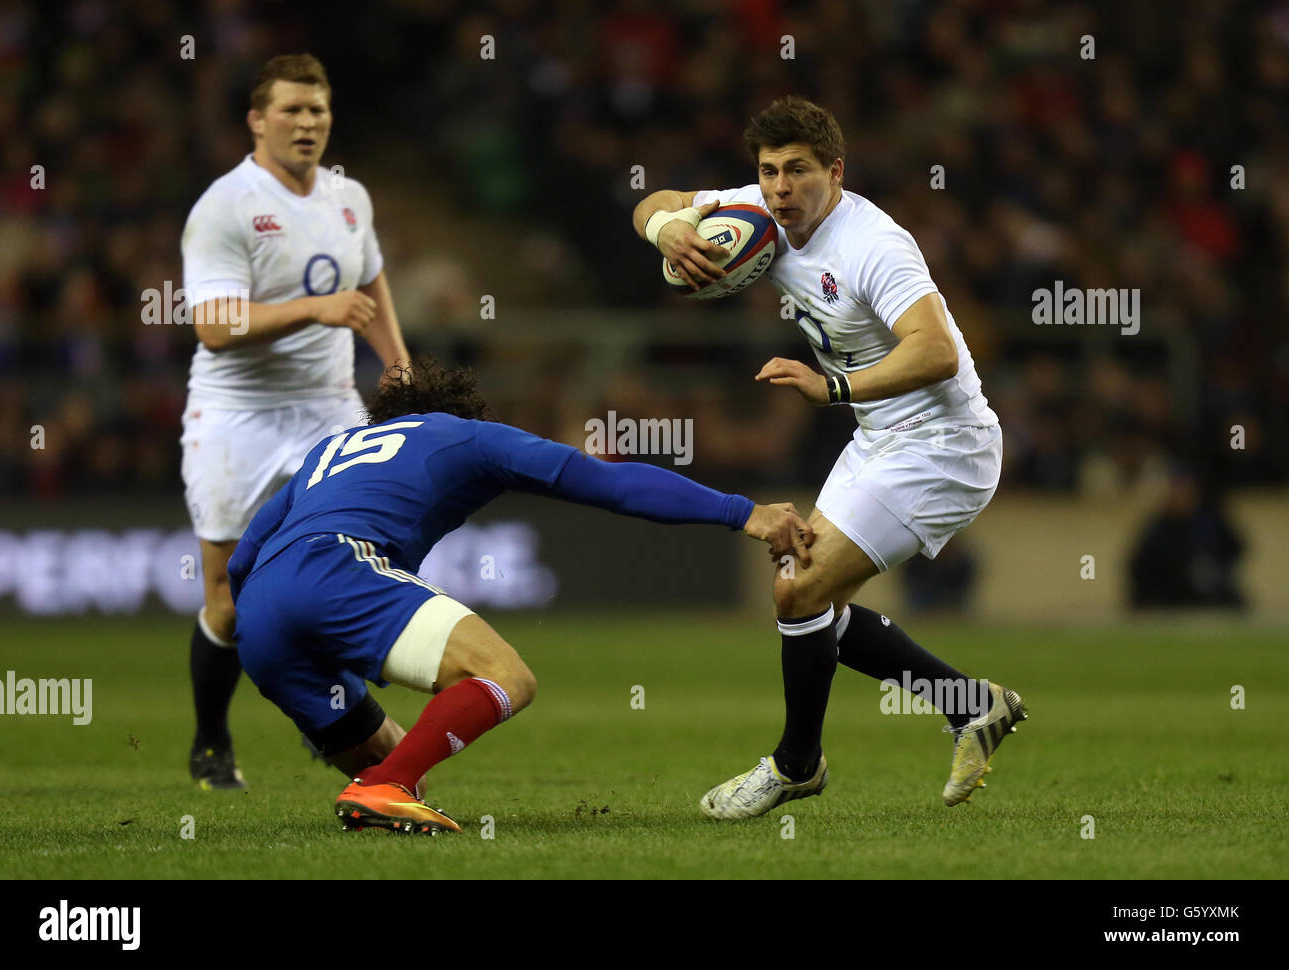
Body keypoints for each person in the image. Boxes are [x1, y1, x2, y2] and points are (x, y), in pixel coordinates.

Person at [632, 96, 1025, 817]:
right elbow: (652, 201)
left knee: (797, 591)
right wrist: (669, 231)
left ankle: (796, 764)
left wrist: (832, 385)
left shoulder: (874, 244)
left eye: (799, 171)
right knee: (804, 595)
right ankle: (971, 705)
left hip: (944, 445)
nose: (780, 188)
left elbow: (936, 352)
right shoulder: (758, 209)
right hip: (881, 437)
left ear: (835, 172)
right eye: (769, 170)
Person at [227, 356, 815, 834]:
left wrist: (277, 651)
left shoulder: (325, 455)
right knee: (506, 677)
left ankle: (383, 787)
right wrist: (743, 512)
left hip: (259, 612)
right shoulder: (467, 437)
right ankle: (386, 786)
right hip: (339, 566)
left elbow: (241, 559)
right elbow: (610, 483)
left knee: (400, 769)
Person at [179, 53, 410, 789]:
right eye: (291, 111)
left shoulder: (349, 199)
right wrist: (315, 308)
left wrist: (397, 364)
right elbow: (213, 325)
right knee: (229, 597)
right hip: (237, 417)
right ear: (257, 120)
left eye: (318, 110)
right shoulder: (225, 206)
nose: (307, 123)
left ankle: (331, 720)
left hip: (330, 409)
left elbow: (369, 277)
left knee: (344, 566)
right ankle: (212, 741)